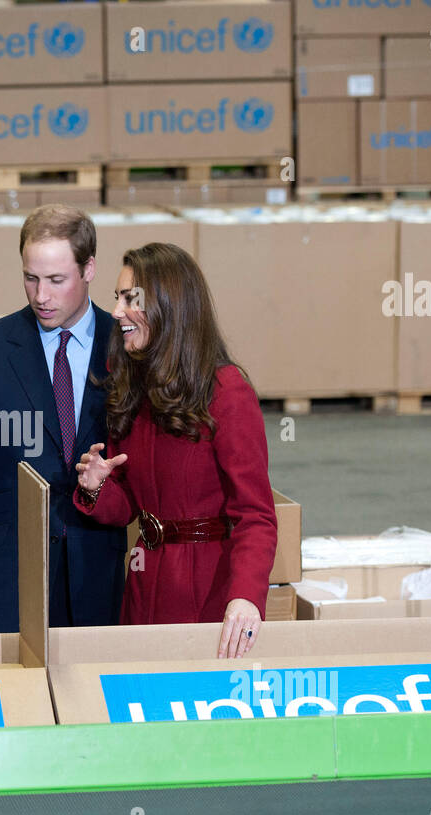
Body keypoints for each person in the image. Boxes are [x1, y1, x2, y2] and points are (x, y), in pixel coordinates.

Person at [74, 242, 277, 659]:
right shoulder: (133, 387)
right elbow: (130, 504)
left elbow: (256, 514)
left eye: (130, 299)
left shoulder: (227, 392)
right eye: (117, 298)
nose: (116, 312)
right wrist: (97, 487)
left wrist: (245, 597)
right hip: (143, 586)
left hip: (208, 595)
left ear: (169, 305)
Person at [0, 204, 127, 634]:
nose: (41, 296)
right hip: (4, 583)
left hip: (100, 576)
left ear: (89, 269)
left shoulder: (127, 349)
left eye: (56, 280)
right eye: (31, 278)